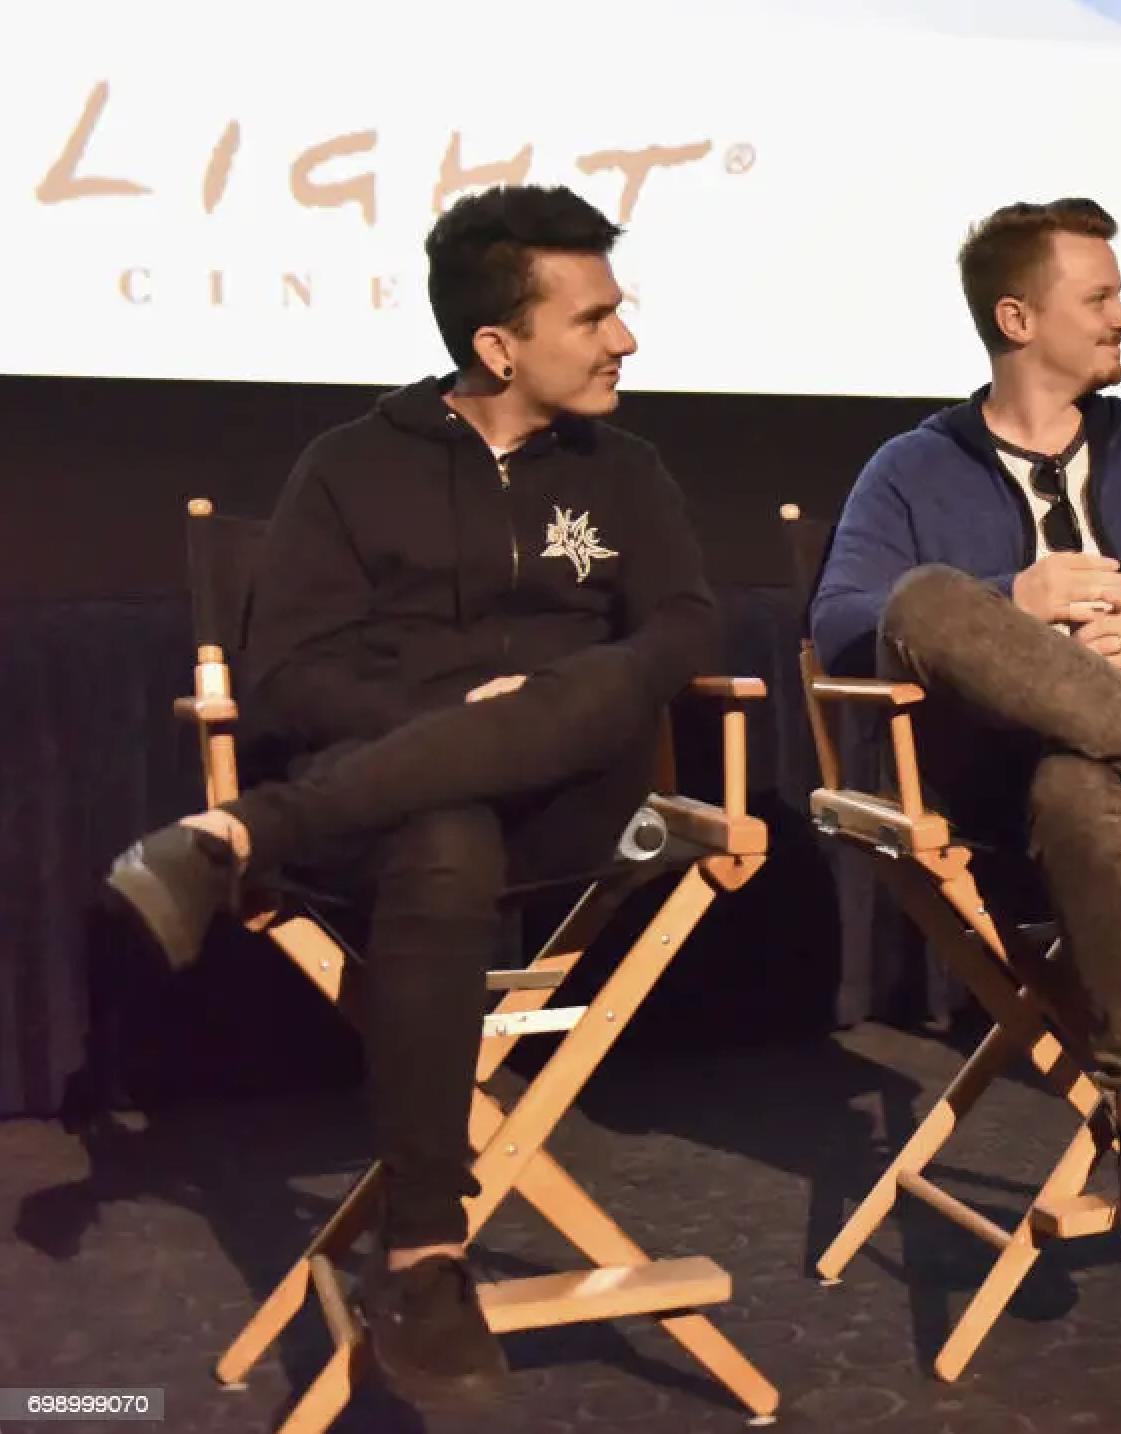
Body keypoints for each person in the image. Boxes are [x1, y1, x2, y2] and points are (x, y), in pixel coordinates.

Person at [106, 184, 716, 1403]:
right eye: (594, 317)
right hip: (397, 822)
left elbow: (684, 624)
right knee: (442, 827)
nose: (625, 340)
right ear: (498, 346)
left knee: (590, 691)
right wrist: (447, 733)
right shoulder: (346, 467)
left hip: (569, 803)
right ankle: (429, 1252)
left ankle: (237, 837)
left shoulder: (627, 468)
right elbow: (288, 677)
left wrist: (547, 709)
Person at [812, 197, 1121, 1276]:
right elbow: (841, 625)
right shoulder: (910, 466)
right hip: (1001, 798)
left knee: (1082, 780)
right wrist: (1013, 601)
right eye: (1098, 298)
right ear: (1016, 318)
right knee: (929, 606)